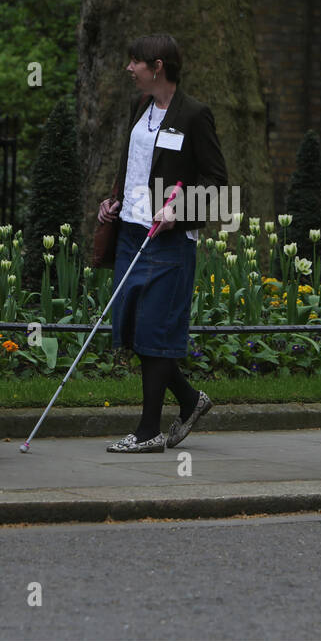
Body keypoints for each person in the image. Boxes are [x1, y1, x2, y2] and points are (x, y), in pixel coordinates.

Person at [95, 34, 226, 452]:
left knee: (155, 331)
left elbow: (217, 185)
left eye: (135, 62)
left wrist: (177, 212)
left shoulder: (195, 114)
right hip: (130, 233)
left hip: (167, 240)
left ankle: (149, 430)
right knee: (133, 331)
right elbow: (135, 168)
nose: (128, 69)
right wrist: (114, 201)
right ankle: (189, 400)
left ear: (158, 66)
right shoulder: (140, 108)